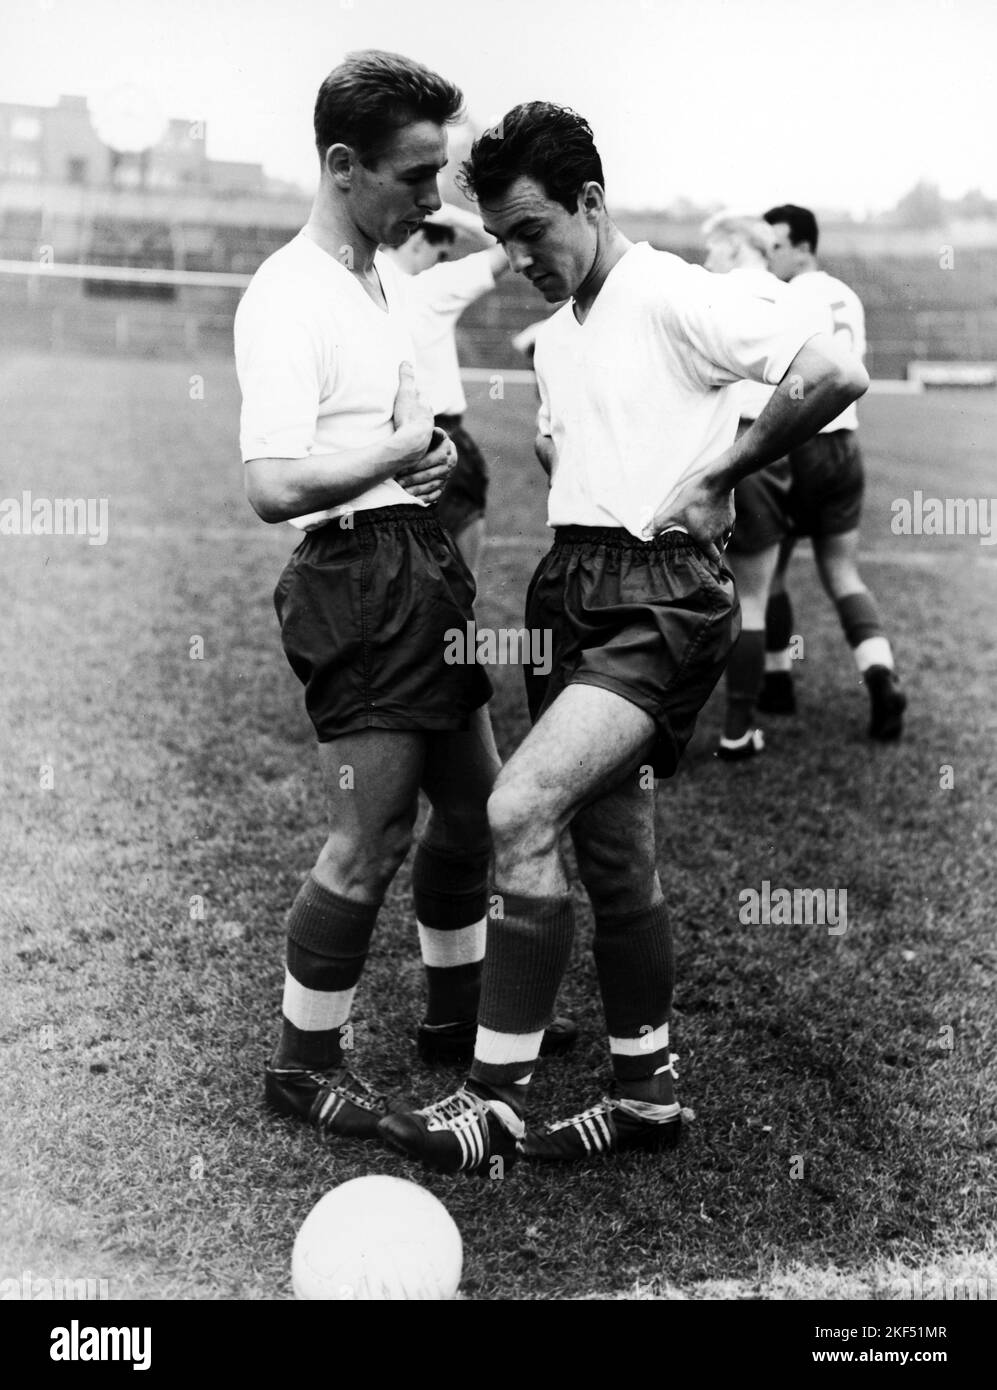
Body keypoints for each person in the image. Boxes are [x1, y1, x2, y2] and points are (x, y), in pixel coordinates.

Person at [377, 102, 867, 1174]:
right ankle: (646, 1089)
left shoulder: (671, 291)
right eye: (500, 238)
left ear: (591, 203)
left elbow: (831, 371)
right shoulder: (560, 331)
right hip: (572, 587)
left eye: (533, 230)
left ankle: (493, 1099)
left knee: (519, 804)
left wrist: (720, 474)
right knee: (606, 845)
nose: (515, 257)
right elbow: (577, 450)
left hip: (661, 599)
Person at [234, 51, 570, 1147]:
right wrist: (389, 455)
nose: (434, 200)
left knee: (475, 809)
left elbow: (373, 444)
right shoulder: (289, 293)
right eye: (416, 176)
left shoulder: (372, 276)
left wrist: (412, 469)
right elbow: (272, 483)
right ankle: (303, 1063)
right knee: (370, 835)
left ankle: (450, 1014)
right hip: (353, 581)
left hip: (415, 560)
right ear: (343, 165)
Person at [760, 204, 907, 739]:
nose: (767, 255)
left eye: (774, 245)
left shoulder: (786, 295)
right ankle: (879, 674)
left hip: (799, 446)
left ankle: (776, 681)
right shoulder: (847, 294)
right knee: (843, 572)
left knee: (768, 572)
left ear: (803, 247)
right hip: (846, 446)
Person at [702, 211, 830, 760]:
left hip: (701, 450)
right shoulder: (792, 299)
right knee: (750, 598)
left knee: (676, 594)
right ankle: (735, 732)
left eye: (713, 249)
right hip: (763, 450)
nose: (707, 260)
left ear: (733, 248)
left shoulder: (704, 292)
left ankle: (648, 729)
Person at [384, 204, 510, 577]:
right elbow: (511, 246)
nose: (439, 263)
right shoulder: (432, 285)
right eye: (439, 255)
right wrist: (452, 215)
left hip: (384, 449)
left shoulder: (364, 283)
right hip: (442, 441)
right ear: (421, 239)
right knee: (460, 579)